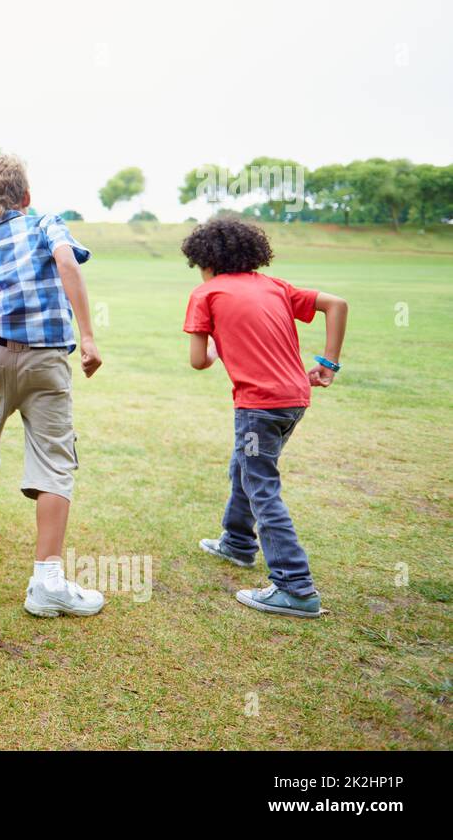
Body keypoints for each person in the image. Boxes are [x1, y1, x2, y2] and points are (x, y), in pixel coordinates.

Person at [0, 154, 106, 618]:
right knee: (55, 459)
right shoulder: (45, 224)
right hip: (49, 358)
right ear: (27, 198)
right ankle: (47, 582)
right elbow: (67, 264)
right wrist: (90, 337)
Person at [182, 216, 347, 618]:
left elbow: (198, 361)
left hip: (258, 405)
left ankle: (295, 587)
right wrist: (328, 363)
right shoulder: (274, 286)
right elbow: (336, 305)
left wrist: (222, 346)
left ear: (207, 260)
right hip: (294, 399)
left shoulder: (207, 292)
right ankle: (237, 543)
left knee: (261, 485)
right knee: (245, 467)